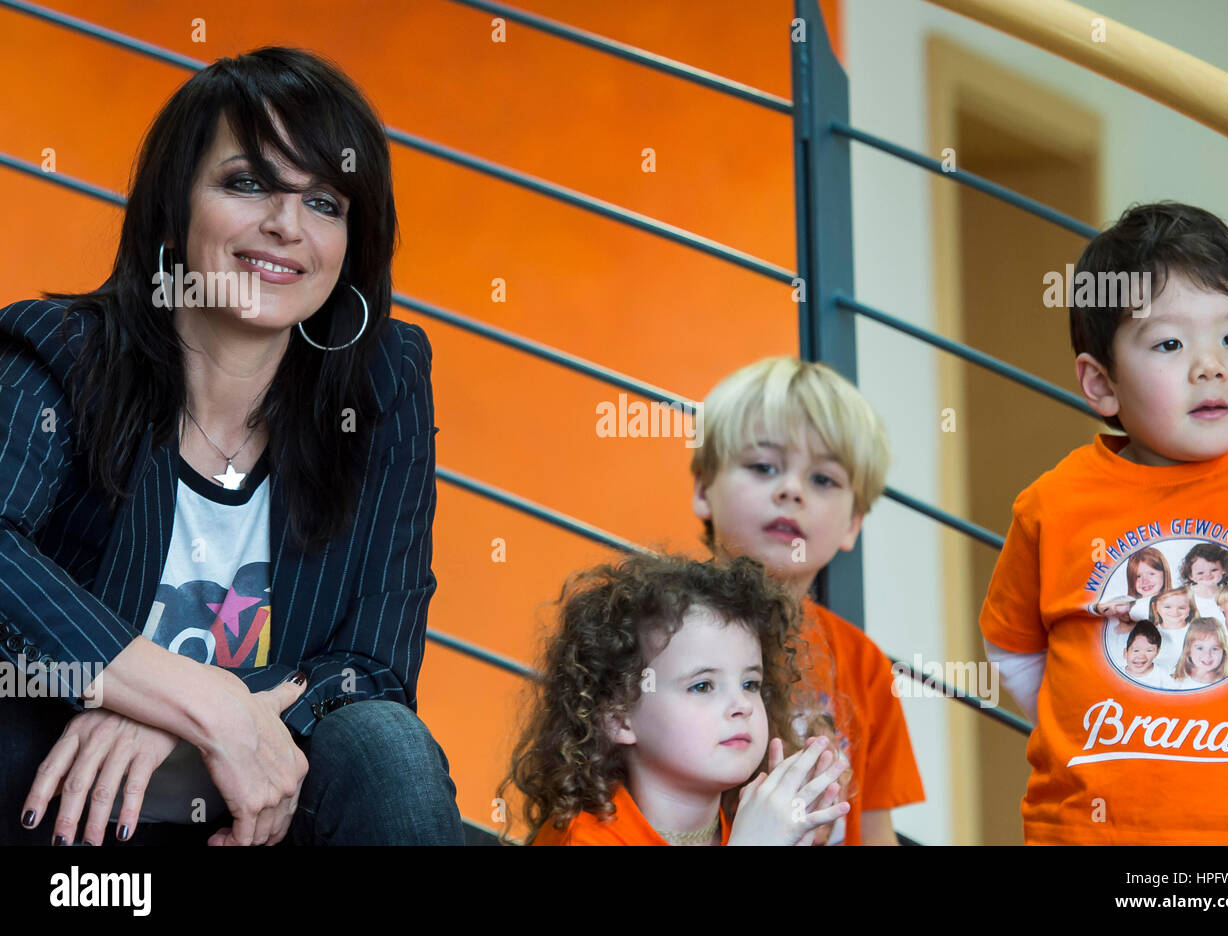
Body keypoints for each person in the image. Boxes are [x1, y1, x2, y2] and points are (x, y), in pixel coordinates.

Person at [0, 47, 462, 846]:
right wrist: (190, 696)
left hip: (261, 811)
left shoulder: (383, 380)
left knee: (385, 743)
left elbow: (374, 664)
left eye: (324, 201)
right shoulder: (62, 352)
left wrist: (193, 714)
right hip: (64, 800)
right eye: (247, 183)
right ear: (173, 209)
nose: (286, 226)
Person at [979, 202, 1228, 844]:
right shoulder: (1055, 501)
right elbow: (1010, 644)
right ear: (1101, 385)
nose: (1208, 365)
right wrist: (1097, 708)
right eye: (1170, 343)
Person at [689, 356, 925, 845]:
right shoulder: (655, 640)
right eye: (763, 466)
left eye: (823, 480)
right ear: (702, 489)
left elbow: (877, 834)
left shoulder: (863, 664)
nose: (791, 490)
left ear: (853, 523)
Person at [500, 552, 849, 845]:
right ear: (619, 718)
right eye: (703, 686)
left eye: (750, 684)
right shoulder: (583, 838)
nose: (742, 705)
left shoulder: (745, 825)